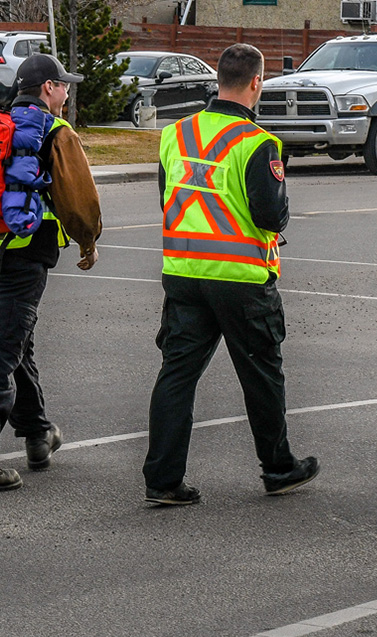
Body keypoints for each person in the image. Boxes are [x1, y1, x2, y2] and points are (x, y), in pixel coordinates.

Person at [141, 43, 319, 506]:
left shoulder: (175, 134)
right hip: (239, 276)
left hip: (182, 273)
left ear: (218, 79)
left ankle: (162, 480)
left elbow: (167, 201)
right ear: (256, 83)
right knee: (261, 373)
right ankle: (278, 468)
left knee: (176, 374)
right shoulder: (259, 143)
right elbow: (269, 217)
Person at [0, 52, 103, 494]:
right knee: (1, 349)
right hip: (27, 251)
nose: (67, 91)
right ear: (47, 88)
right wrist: (87, 240)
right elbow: (77, 197)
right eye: (63, 84)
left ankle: (37, 434)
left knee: (13, 339)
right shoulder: (54, 130)